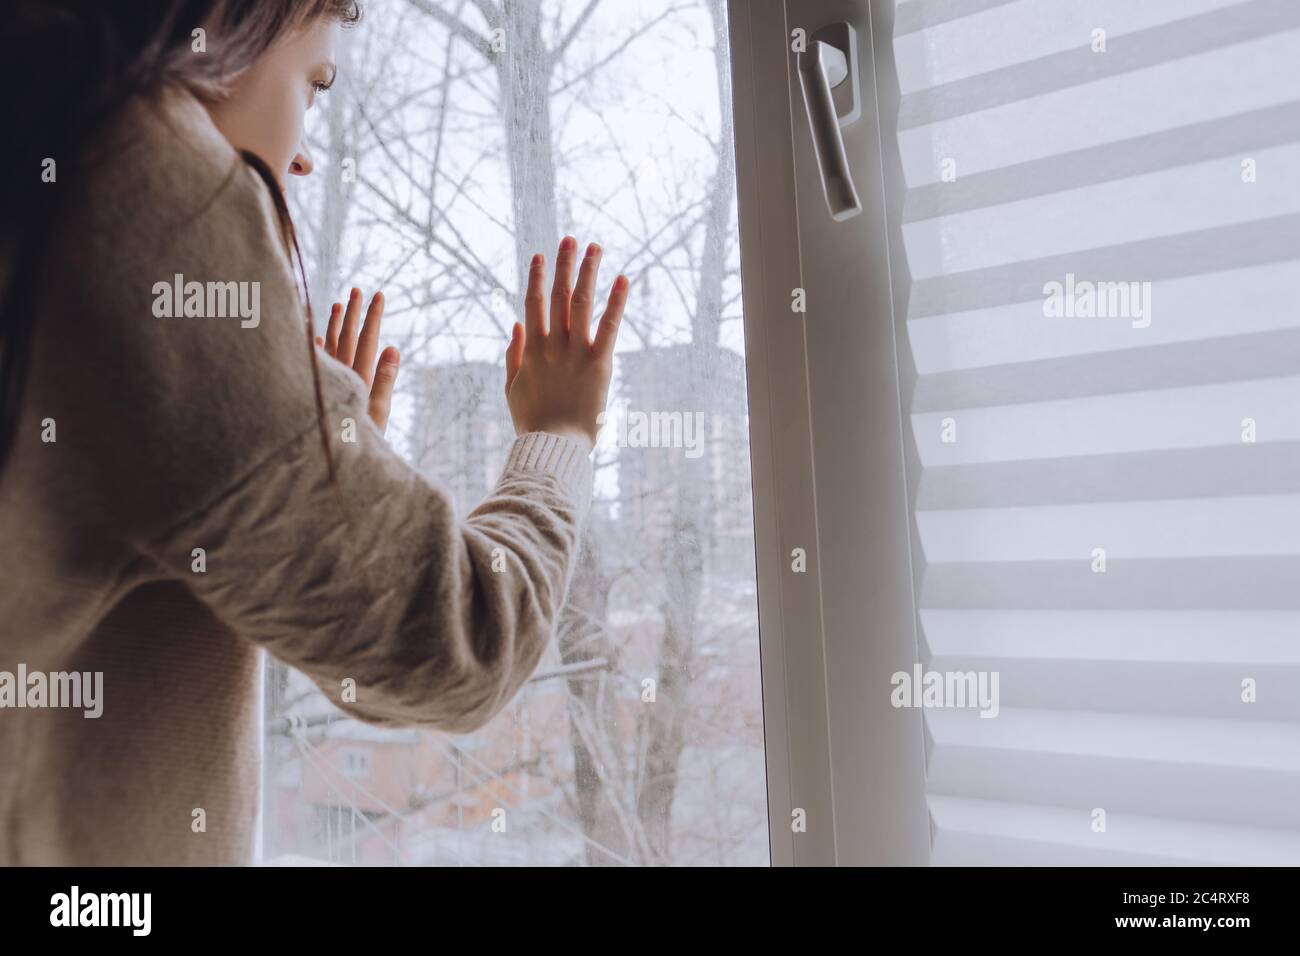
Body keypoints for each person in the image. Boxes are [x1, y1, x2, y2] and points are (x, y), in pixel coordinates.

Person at [0, 0, 625, 865]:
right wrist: (557, 433)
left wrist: (315, 454)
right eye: (314, 84)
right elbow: (470, 639)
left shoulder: (40, 123)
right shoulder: (144, 191)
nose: (300, 153)